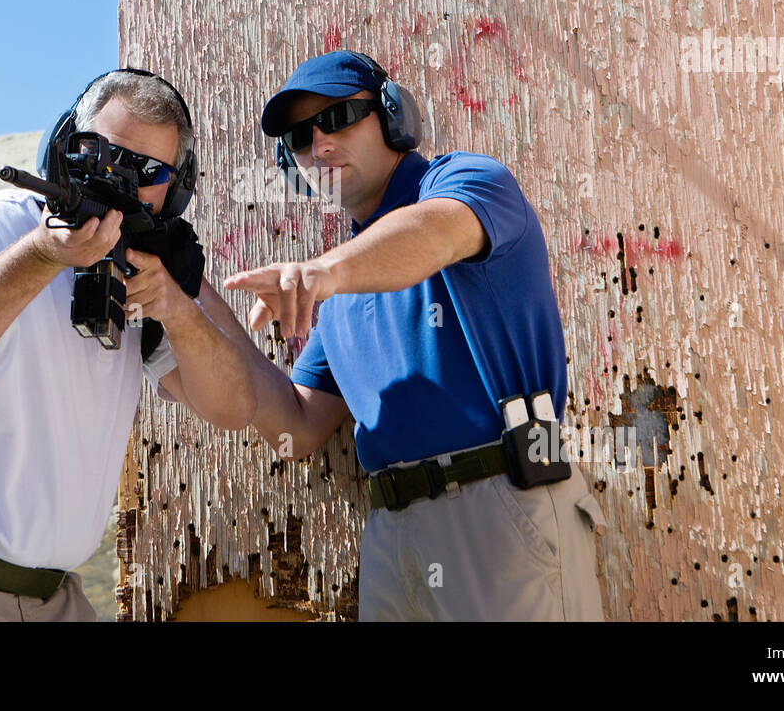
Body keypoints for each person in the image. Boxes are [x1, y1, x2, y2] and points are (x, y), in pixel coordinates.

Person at [222, 49, 608, 621]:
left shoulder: (466, 181)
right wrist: (192, 319)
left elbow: (435, 233)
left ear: (392, 114)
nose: (319, 146)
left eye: (336, 118)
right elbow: (299, 427)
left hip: (502, 500)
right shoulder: (338, 285)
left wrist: (322, 274)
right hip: (391, 530)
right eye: (300, 139)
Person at [0, 68, 257, 621]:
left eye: (147, 171)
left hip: (58, 600)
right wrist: (42, 257)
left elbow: (235, 407)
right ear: (65, 145)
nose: (120, 179)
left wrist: (175, 308)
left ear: (177, 188)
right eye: (104, 154)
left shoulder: (143, 273)